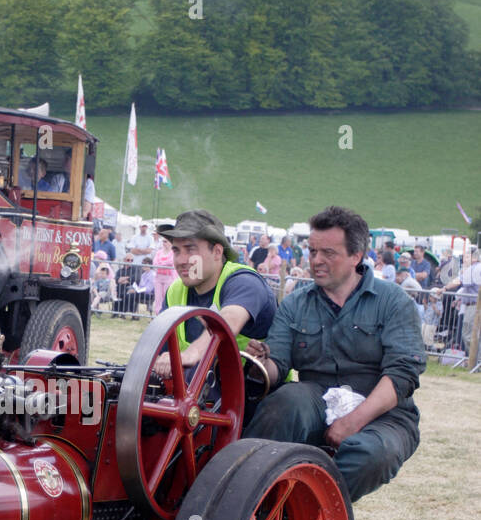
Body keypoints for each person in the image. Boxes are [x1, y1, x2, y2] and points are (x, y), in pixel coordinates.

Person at [243, 206, 426, 502]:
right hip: (315, 394)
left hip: (383, 410)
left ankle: (298, 518)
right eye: (312, 251)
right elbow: (276, 363)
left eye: (328, 253)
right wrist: (261, 366)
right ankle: (246, 502)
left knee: (374, 454)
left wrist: (353, 421)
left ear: (356, 256)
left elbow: (403, 374)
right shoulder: (295, 304)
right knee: (282, 405)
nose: (316, 261)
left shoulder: (394, 302)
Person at [152, 209, 277, 378]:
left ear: (217, 252)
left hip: (255, 397)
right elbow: (160, 353)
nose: (181, 260)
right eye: (176, 251)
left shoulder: (245, 281)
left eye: (190, 250)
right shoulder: (174, 291)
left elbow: (229, 319)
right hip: (198, 396)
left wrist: (192, 353)